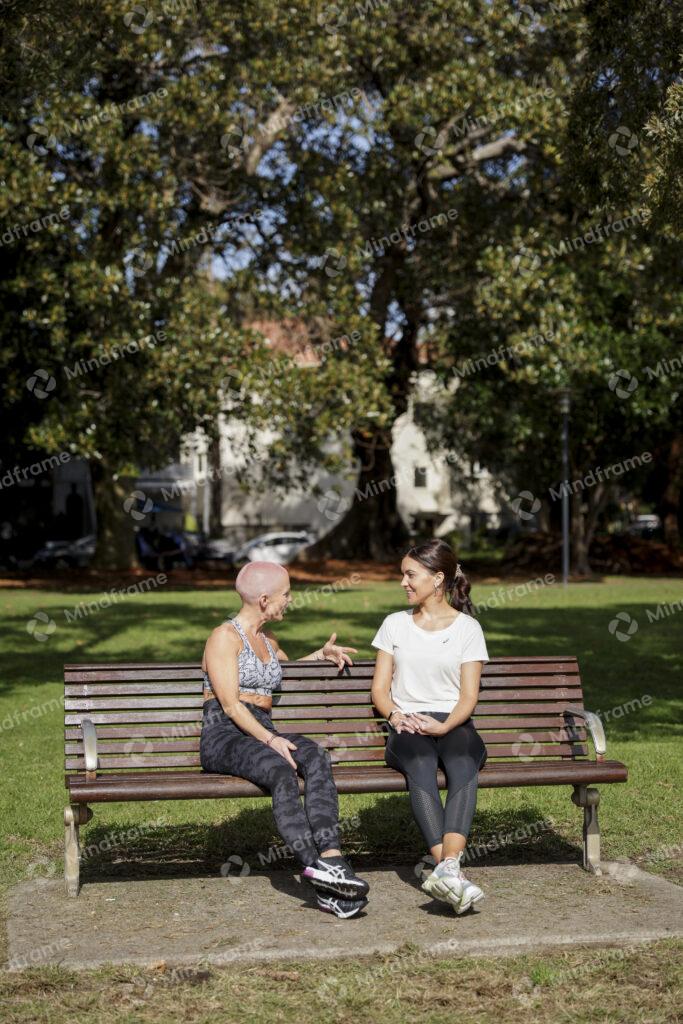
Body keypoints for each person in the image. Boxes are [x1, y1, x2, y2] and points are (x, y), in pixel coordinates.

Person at [200, 561, 370, 918]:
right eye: (285, 594)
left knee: (316, 757)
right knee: (281, 770)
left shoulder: (267, 640)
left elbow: (285, 672)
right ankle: (316, 872)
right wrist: (270, 739)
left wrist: (320, 656)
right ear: (264, 599)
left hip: (259, 727)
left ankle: (331, 857)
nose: (289, 601)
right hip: (224, 733)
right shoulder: (224, 637)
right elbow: (230, 704)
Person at [371, 538, 489, 915]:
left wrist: (444, 727)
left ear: (438, 579)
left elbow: (468, 697)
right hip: (407, 726)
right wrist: (395, 716)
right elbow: (380, 689)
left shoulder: (468, 628)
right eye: (402, 575)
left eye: (411, 575)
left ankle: (445, 870)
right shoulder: (394, 625)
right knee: (420, 766)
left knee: (463, 765)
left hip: (455, 723)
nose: (403, 582)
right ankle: (450, 870)